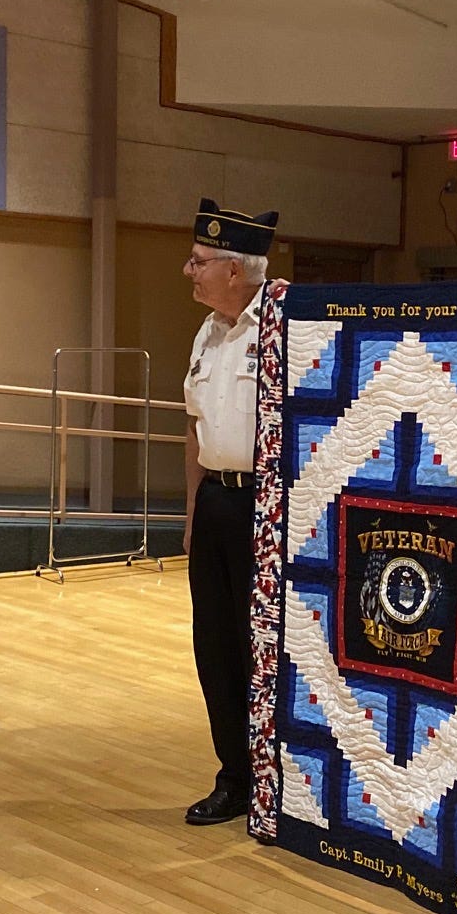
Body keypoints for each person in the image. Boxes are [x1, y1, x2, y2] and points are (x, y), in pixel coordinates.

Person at [180, 197, 278, 826]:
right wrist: (193, 514)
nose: (188, 271)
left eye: (198, 261)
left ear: (236, 271)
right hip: (217, 498)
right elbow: (196, 429)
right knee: (213, 644)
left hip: (264, 507)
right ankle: (234, 775)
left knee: (261, 647)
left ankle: (277, 775)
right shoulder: (207, 332)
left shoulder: (281, 330)